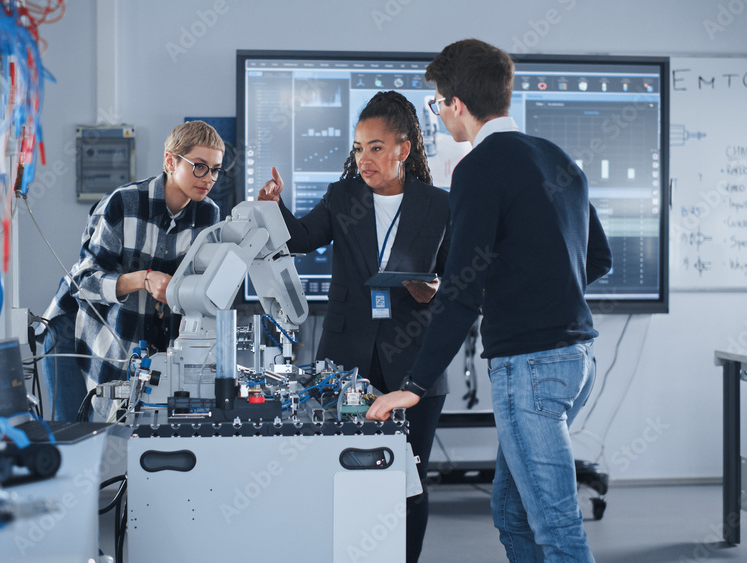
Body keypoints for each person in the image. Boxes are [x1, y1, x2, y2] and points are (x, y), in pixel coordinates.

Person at [366, 40, 612, 563]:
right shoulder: (557, 156)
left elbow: (460, 292)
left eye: (436, 103)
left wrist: (412, 386)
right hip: (577, 361)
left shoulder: (478, 167)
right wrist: (525, 289)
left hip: (530, 368)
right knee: (512, 513)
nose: (438, 114)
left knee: (557, 528)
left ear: (456, 103)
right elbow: (598, 260)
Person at [259, 90, 450, 563]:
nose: (364, 158)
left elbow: (459, 279)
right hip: (347, 358)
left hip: (414, 360)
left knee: (411, 481)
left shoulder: (439, 204)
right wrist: (273, 206)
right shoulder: (342, 195)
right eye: (359, 148)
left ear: (404, 149)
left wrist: (434, 288)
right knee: (345, 475)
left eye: (376, 147)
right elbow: (302, 239)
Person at [39, 121, 223, 421]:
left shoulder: (208, 214)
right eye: (200, 166)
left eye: (215, 169)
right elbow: (82, 282)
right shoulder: (123, 204)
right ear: (170, 161)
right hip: (77, 333)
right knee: (77, 438)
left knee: (129, 439)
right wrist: (143, 279)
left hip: (139, 336)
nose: (209, 178)